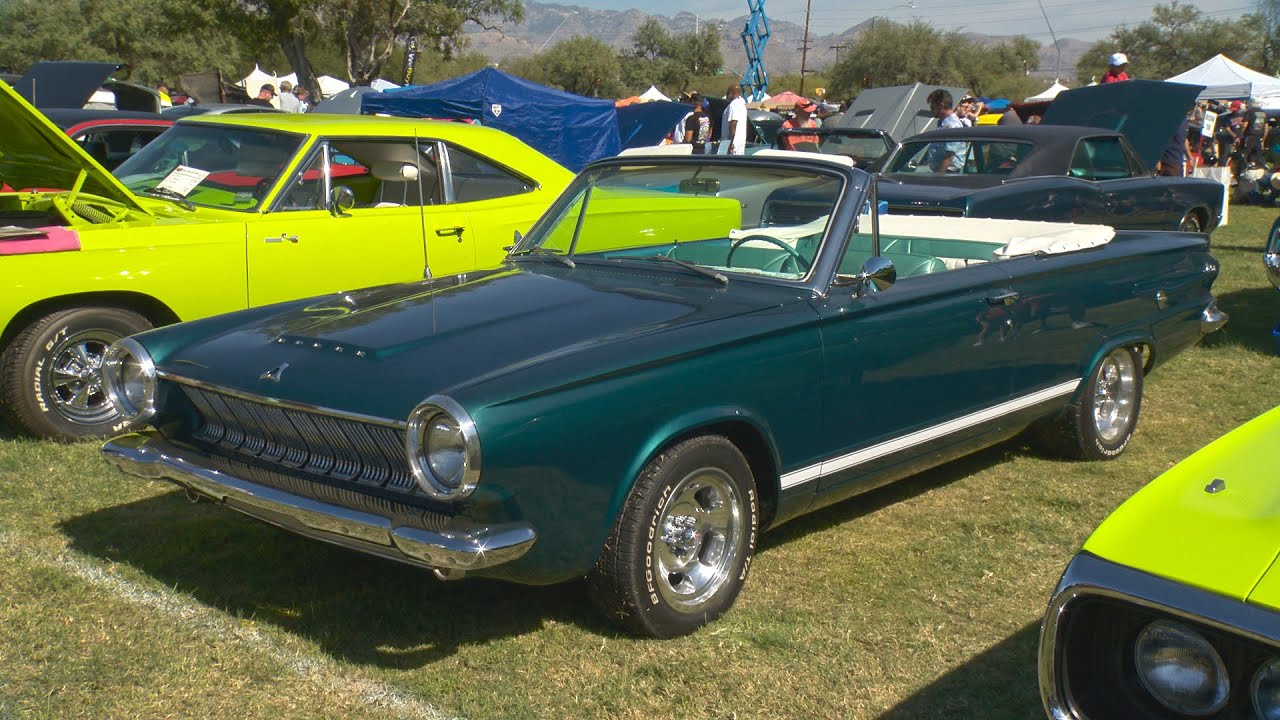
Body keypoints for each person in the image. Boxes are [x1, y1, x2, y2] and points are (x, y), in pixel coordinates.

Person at [925, 88, 966, 173]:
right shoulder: (944, 123)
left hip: (948, 172)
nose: (931, 110)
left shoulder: (951, 125)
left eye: (933, 107)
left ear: (941, 105)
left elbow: (949, 155)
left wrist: (939, 176)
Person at [721, 84, 748, 155]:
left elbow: (733, 123)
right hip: (739, 143)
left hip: (732, 144)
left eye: (727, 93)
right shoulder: (742, 104)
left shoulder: (734, 104)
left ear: (732, 93)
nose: (726, 95)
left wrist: (730, 143)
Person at [1243, 98, 1270, 168]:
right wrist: (1263, 140)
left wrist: (1239, 134)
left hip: (1250, 136)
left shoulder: (1249, 112)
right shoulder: (1263, 113)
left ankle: (1246, 171)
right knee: (1256, 156)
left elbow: (1245, 124)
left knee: (1246, 155)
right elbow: (1266, 128)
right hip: (1259, 137)